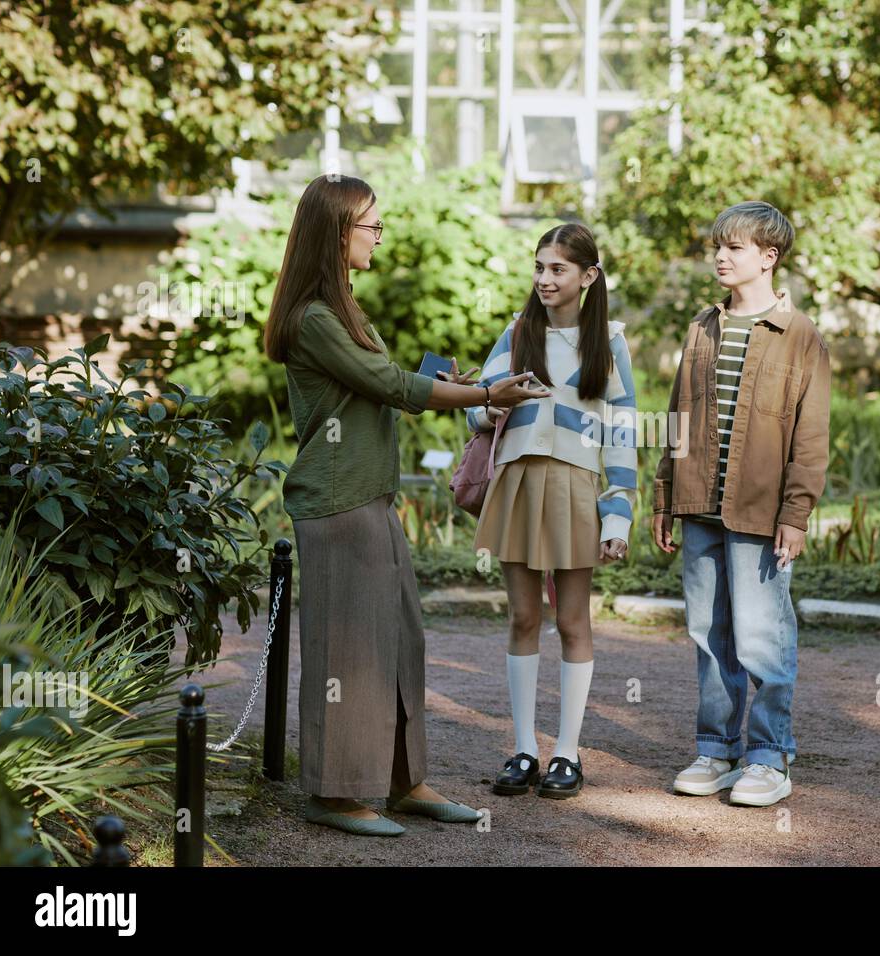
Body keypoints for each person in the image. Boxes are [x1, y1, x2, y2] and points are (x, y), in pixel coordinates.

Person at [264, 174, 547, 836]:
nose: (378, 237)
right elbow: (386, 383)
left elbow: (383, 386)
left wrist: (449, 385)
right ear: (337, 233)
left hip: (371, 498)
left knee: (400, 642)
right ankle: (334, 795)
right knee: (347, 653)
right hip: (336, 501)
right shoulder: (313, 319)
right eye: (372, 226)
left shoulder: (347, 310)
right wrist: (483, 397)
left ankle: (401, 782)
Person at [653, 200, 830, 808]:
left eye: (735, 248)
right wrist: (663, 495)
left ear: (769, 256)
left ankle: (769, 756)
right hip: (699, 503)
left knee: (762, 635)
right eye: (717, 247)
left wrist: (796, 514)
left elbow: (811, 436)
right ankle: (716, 749)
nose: (721, 258)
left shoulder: (799, 335)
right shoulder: (703, 327)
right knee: (708, 634)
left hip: (761, 512)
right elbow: (678, 416)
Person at [468, 223, 637, 800]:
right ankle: (522, 749)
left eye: (558, 268)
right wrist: (488, 409)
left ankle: (567, 753)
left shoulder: (609, 342)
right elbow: (478, 408)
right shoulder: (515, 332)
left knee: (571, 621)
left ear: (588, 277)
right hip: (517, 480)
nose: (545, 278)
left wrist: (619, 513)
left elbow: (622, 430)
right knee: (521, 617)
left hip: (576, 488)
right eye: (539, 266)